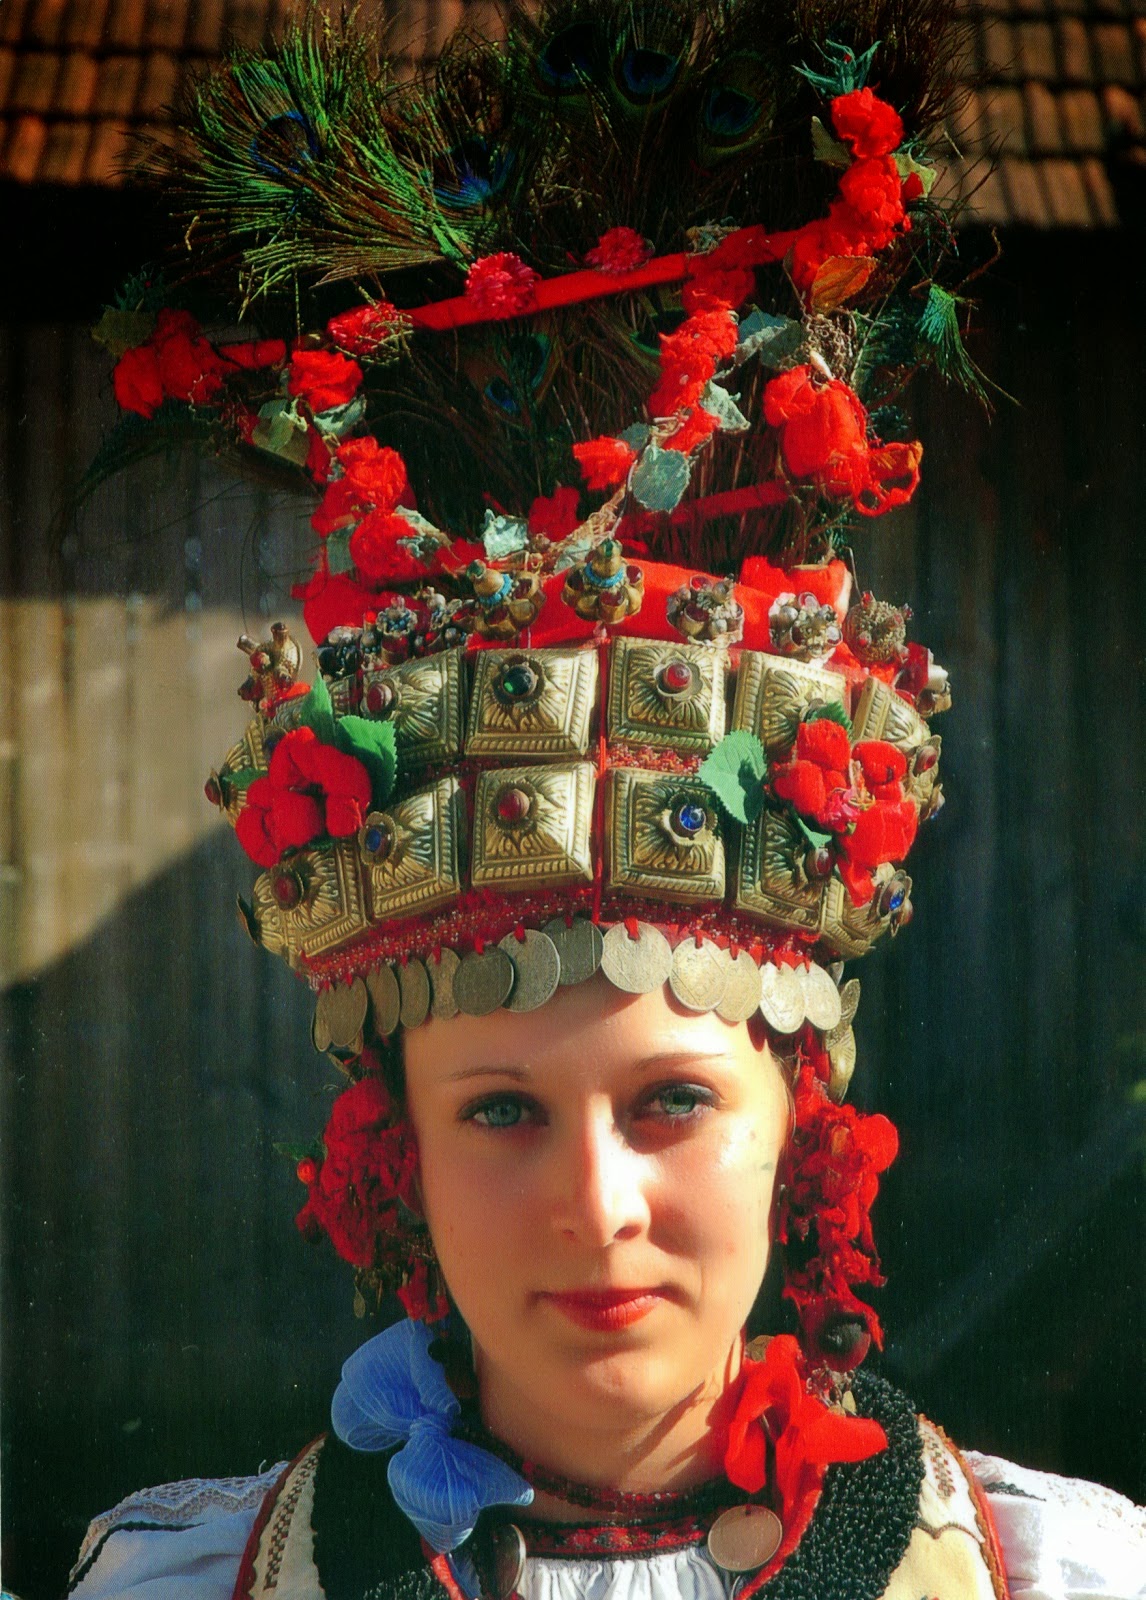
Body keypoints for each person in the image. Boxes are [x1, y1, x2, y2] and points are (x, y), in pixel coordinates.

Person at [67, 0, 1145, 1596]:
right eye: (499, 1109)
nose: (594, 1206)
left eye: (674, 1102)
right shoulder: (189, 1577)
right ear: (396, 1149)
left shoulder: (1060, 1575)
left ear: (801, 1121)